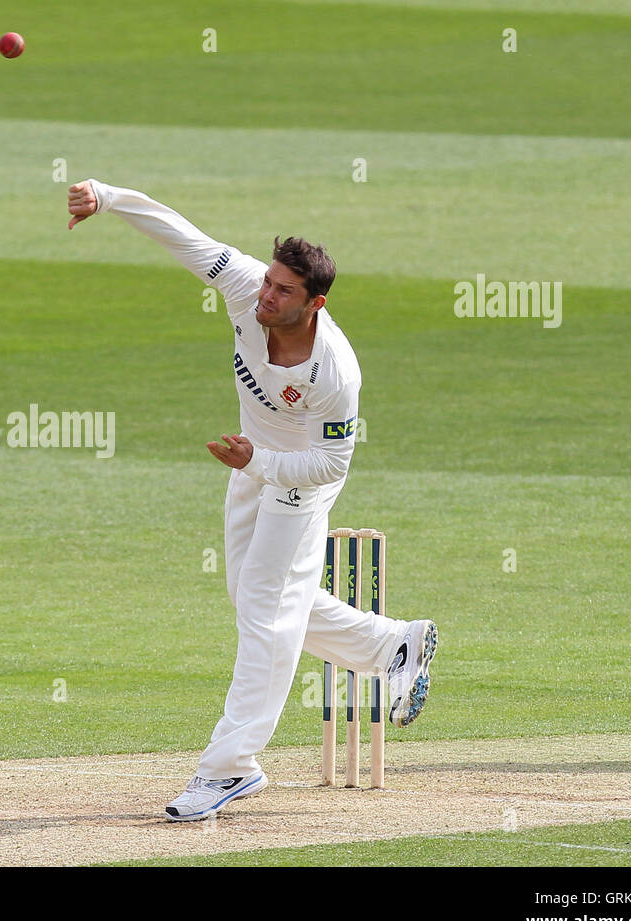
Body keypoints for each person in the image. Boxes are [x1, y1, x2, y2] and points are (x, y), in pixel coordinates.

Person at [67, 179, 437, 821]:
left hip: (299, 480)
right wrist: (107, 196)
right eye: (267, 282)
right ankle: (388, 647)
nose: (265, 296)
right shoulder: (245, 288)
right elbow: (184, 238)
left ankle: (229, 767)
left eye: (283, 291)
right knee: (252, 596)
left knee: (266, 612)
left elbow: (330, 463)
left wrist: (259, 462)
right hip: (251, 463)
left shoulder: (335, 371)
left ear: (314, 303)